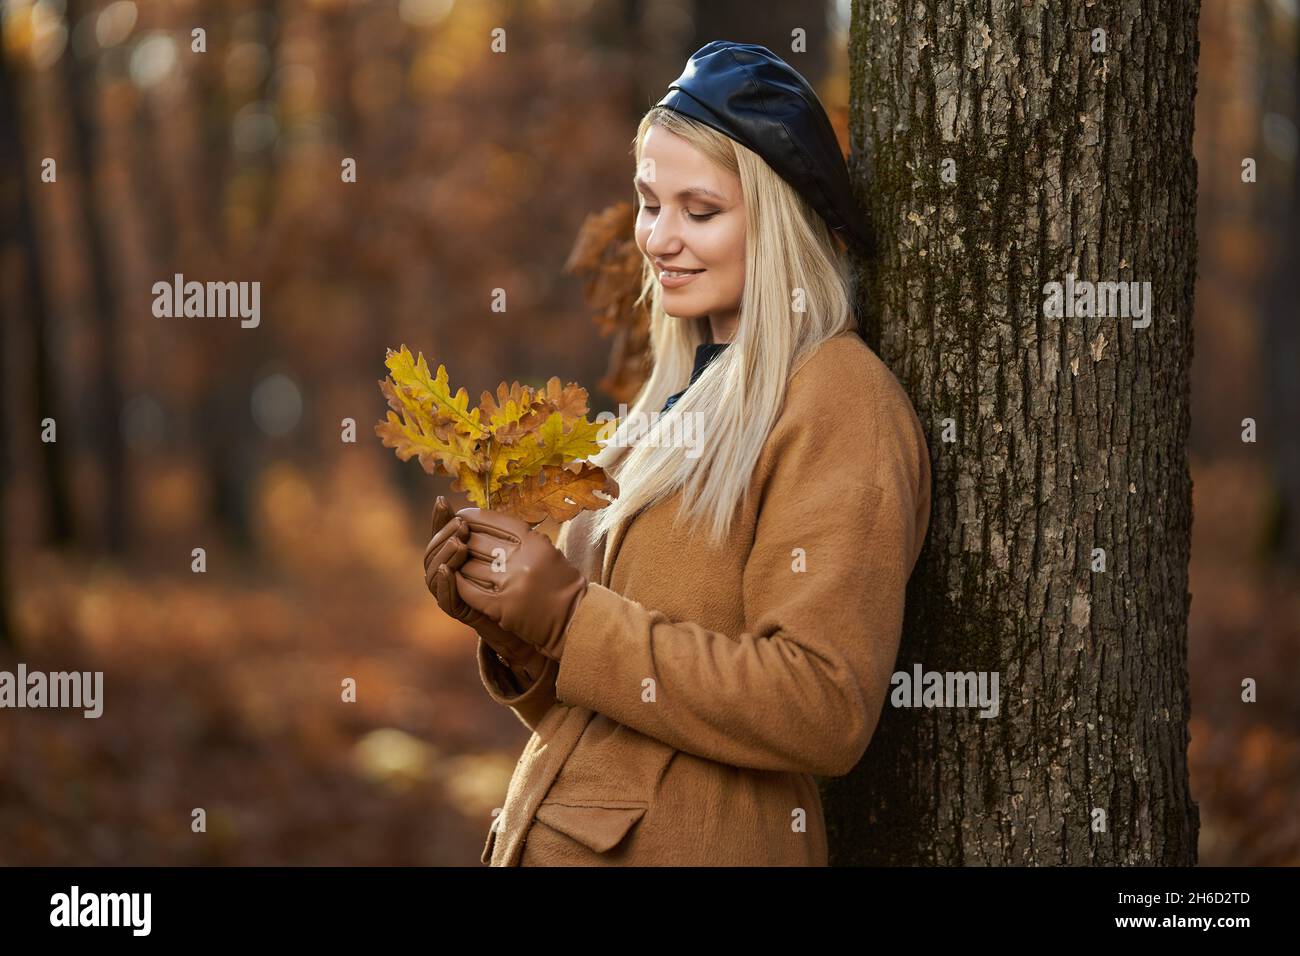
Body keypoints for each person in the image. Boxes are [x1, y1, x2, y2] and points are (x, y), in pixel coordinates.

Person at [423, 40, 931, 866]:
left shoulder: (839, 399)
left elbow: (823, 703)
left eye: (700, 211)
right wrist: (522, 635)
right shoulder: (669, 398)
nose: (658, 238)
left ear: (777, 220)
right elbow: (621, 718)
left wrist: (569, 618)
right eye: (649, 202)